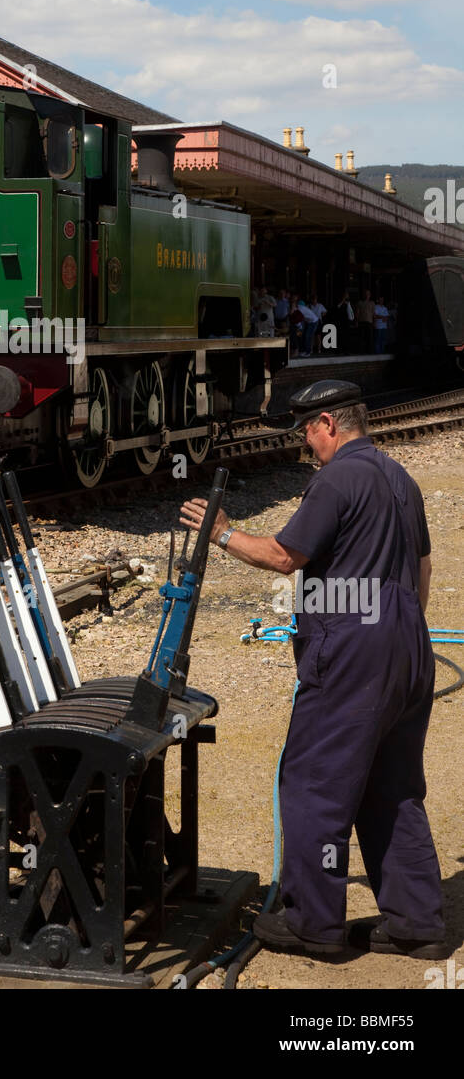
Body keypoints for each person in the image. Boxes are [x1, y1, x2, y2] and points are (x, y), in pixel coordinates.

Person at [179, 379, 445, 958]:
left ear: (328, 422)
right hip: (408, 645)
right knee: (392, 787)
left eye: (307, 430)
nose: (305, 443)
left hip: (352, 654)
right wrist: (394, 631)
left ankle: (315, 923)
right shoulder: (401, 478)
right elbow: (422, 566)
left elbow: (283, 556)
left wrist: (220, 531)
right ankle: (418, 922)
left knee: (315, 783)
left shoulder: (338, 478)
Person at [356, 289, 374, 353]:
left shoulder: (372, 303)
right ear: (364, 295)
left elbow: (373, 313)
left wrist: (374, 322)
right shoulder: (360, 302)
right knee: (361, 337)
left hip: (369, 322)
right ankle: (361, 351)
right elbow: (357, 313)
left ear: (370, 295)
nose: (367, 295)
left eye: (368, 294)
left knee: (369, 338)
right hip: (362, 322)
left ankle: (369, 351)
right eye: (366, 294)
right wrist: (357, 322)